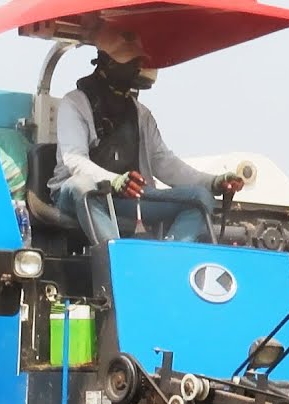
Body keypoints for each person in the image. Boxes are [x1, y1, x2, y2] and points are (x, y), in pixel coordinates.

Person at [48, 27, 245, 245]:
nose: (137, 68)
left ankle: (167, 258)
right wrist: (115, 181)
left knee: (200, 199)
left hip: (126, 198)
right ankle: (117, 258)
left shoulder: (141, 114)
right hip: (81, 196)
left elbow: (165, 163)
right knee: (81, 185)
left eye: (137, 62)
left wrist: (213, 182)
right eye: (131, 62)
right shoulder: (74, 103)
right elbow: (75, 161)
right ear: (107, 63)